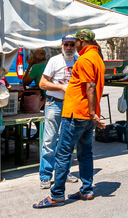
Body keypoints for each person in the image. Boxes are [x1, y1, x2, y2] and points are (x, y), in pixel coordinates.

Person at [34, 29, 106, 208]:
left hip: (77, 113)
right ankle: (87, 189)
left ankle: (57, 195)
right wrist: (93, 114)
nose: (72, 46)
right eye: (67, 44)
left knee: (63, 153)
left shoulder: (85, 59)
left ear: (81, 42)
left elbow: (90, 86)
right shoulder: (97, 58)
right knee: (85, 152)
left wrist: (91, 113)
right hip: (83, 114)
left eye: (74, 43)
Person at [36, 36, 80, 189]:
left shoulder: (79, 60)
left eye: (71, 45)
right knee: (49, 141)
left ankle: (64, 172)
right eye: (66, 44)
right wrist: (61, 88)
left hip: (72, 105)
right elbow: (42, 83)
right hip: (54, 104)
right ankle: (46, 176)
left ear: (76, 46)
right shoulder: (54, 61)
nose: (69, 47)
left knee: (66, 141)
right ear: (61, 46)